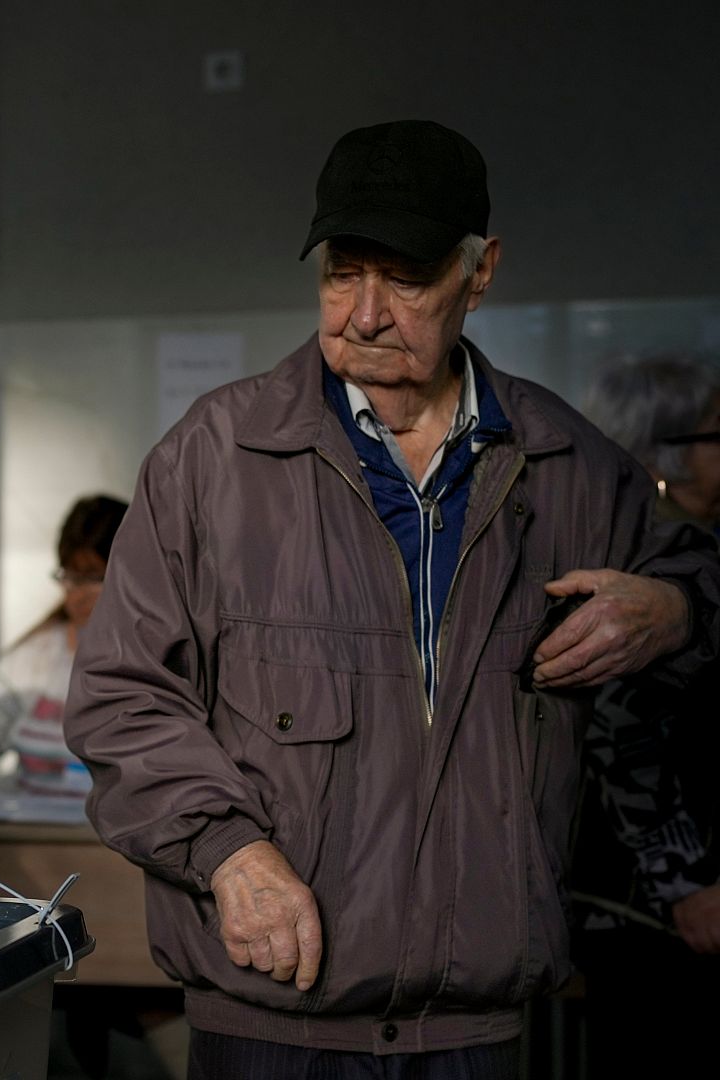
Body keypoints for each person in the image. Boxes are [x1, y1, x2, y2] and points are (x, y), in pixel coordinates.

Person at [66, 119, 720, 1078]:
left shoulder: (569, 463)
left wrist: (676, 609)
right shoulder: (215, 456)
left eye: (404, 279)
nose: (363, 314)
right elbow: (123, 695)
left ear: (480, 270)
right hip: (267, 1027)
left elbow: (707, 586)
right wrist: (230, 854)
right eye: (341, 273)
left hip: (476, 1032)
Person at [570, 355, 720, 1076]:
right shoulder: (650, 559)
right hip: (652, 912)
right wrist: (687, 881)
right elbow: (622, 727)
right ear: (667, 450)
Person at [0, 495, 125, 805]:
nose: (79, 594)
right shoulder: (31, 660)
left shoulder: (158, 662)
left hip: (112, 849)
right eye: (70, 577)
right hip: (27, 839)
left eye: (95, 578)